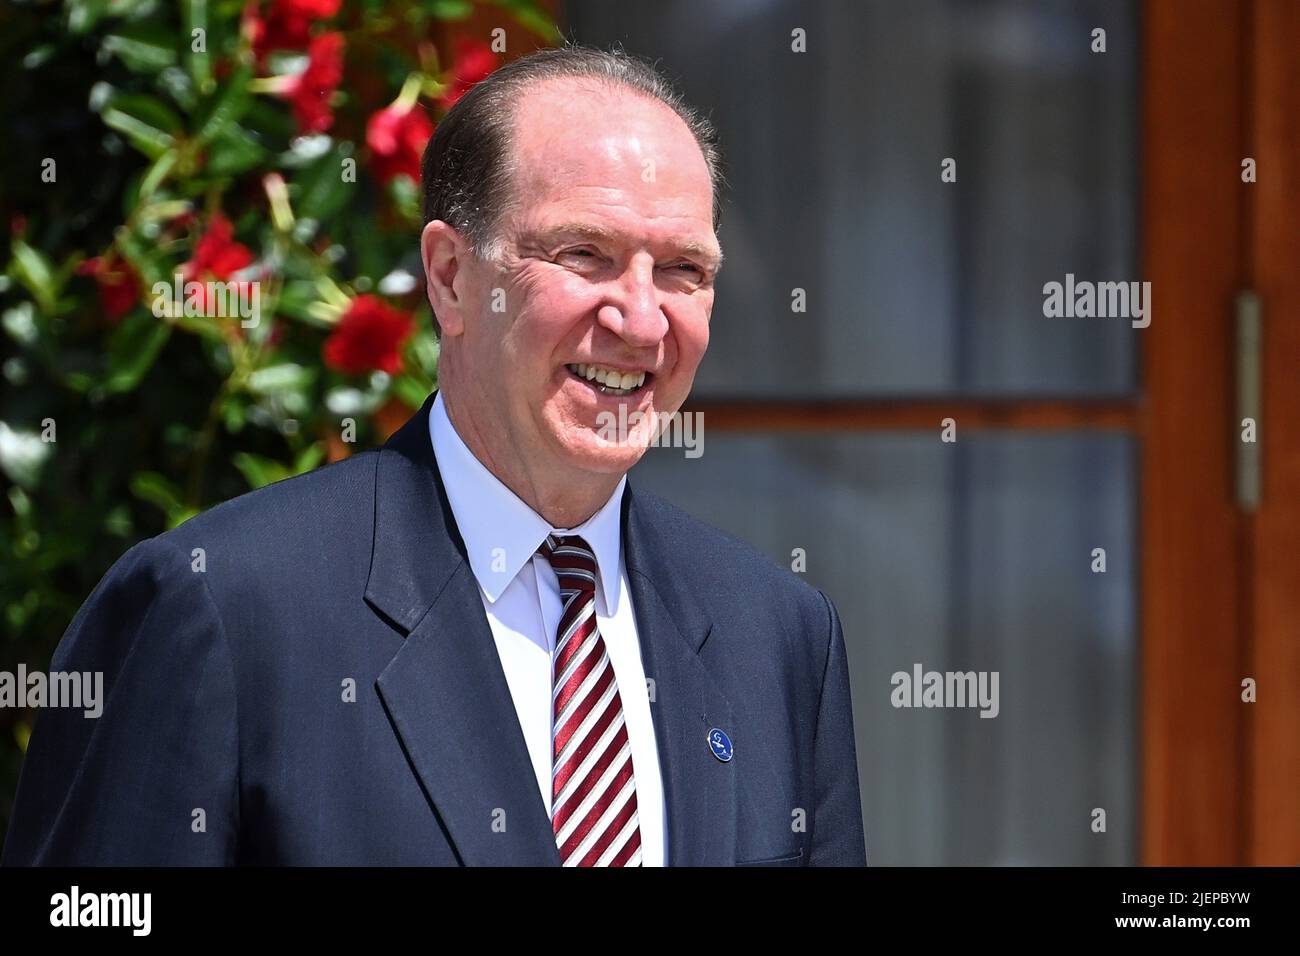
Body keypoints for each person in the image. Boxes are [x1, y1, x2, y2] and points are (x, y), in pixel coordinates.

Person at [2, 44, 865, 867]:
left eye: (682, 270)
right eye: (584, 254)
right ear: (451, 278)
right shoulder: (218, 609)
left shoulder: (779, 636)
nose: (642, 321)